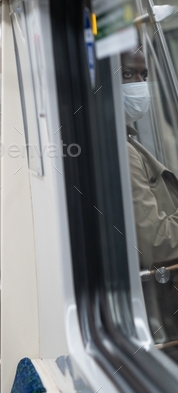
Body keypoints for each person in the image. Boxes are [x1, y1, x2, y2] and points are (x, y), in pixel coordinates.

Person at [120, 49, 178, 353]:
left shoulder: (125, 140)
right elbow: (156, 242)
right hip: (158, 311)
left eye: (143, 76)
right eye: (128, 75)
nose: (139, 85)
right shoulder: (120, 149)